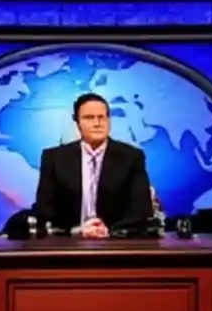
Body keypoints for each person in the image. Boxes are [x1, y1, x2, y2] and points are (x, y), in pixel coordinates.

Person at [33, 93, 153, 238]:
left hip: (116, 243)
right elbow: (44, 209)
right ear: (77, 122)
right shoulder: (54, 158)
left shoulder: (132, 157)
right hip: (68, 243)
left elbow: (141, 210)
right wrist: (77, 231)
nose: (97, 123)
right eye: (89, 118)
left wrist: (108, 231)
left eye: (102, 117)